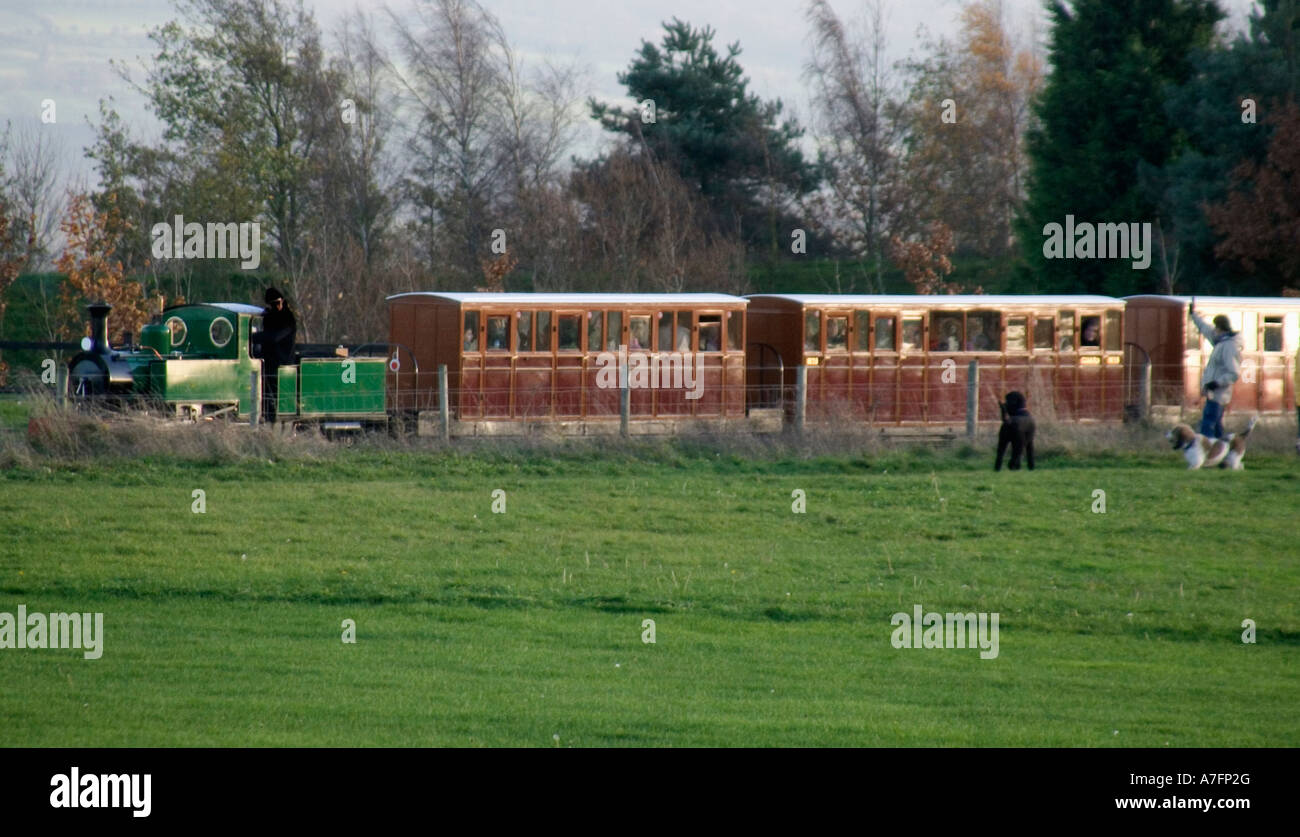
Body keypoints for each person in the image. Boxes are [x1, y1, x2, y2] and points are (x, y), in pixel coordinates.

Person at [1189, 300, 1243, 441]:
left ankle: (1208, 453)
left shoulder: (1228, 346)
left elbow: (1233, 372)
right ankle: (1223, 454)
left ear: (1220, 328)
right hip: (1214, 393)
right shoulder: (1221, 342)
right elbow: (1205, 329)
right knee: (1217, 427)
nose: (1213, 330)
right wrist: (1193, 315)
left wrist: (1216, 383)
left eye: (1216, 328)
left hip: (1219, 393)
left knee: (1208, 425)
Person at [258, 287, 296, 423]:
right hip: (269, 363)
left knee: (279, 400)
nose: (277, 306)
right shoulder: (269, 318)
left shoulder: (288, 318)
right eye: (274, 304)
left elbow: (275, 337)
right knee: (268, 399)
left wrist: (255, 337)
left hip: (283, 364)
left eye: (278, 303)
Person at [995, 391, 1035, 471]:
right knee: (1019, 449)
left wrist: (1003, 410)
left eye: (1007, 402)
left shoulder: (1011, 419)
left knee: (1001, 450)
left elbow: (1006, 420)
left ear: (1014, 403)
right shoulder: (1029, 419)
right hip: (1019, 427)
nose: (1006, 404)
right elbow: (1029, 446)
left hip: (1008, 425)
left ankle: (997, 467)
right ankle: (1027, 466)